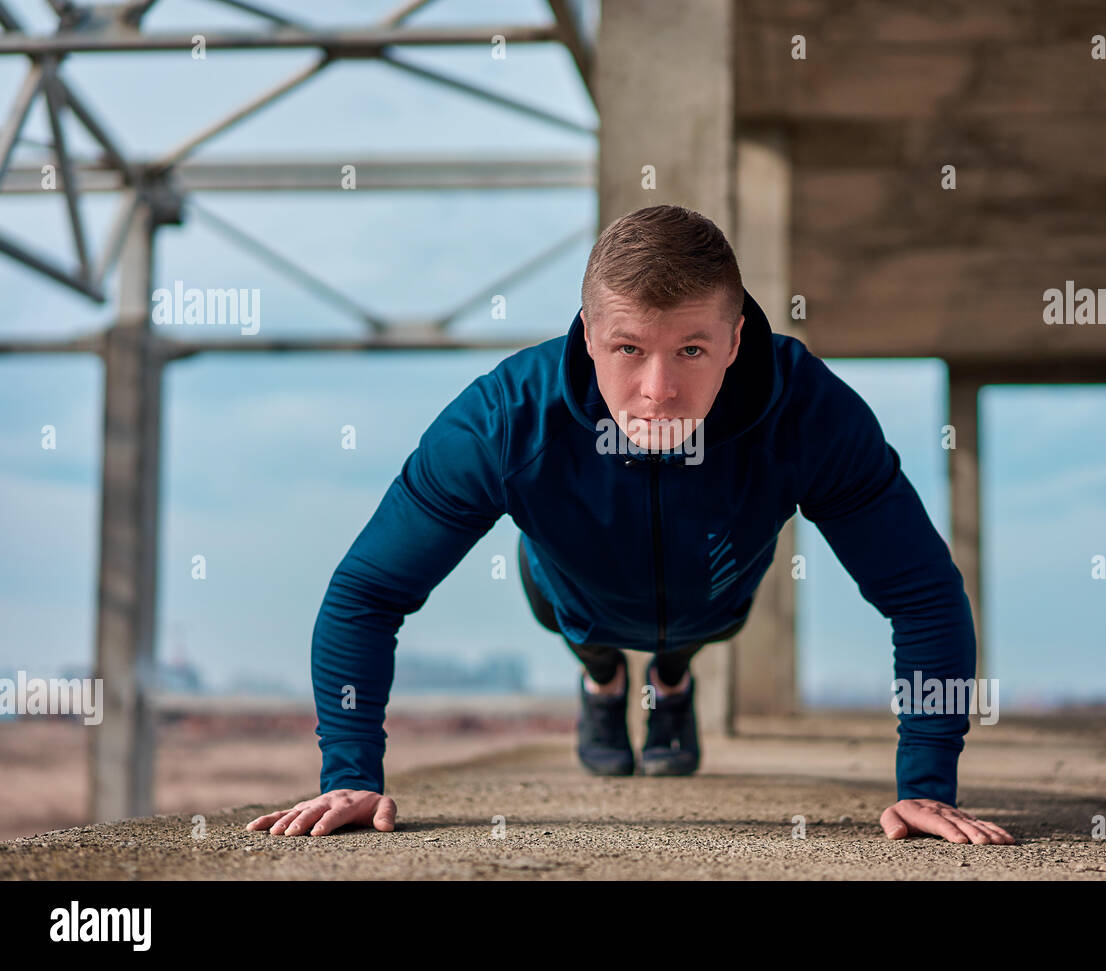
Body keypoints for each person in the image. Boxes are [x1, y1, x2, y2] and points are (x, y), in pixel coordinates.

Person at [246, 204, 1014, 846]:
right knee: (576, 604)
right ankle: (603, 677)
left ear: (737, 338)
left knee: (690, 620)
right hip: (571, 590)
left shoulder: (809, 414)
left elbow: (922, 593)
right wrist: (349, 773)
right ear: (587, 335)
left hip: (718, 597)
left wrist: (927, 784)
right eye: (628, 349)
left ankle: (670, 679)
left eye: (691, 349)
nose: (659, 389)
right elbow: (367, 591)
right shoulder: (506, 422)